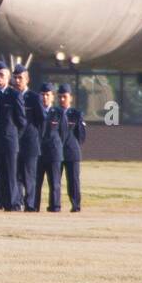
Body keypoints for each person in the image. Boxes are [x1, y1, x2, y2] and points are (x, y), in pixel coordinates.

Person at [0, 62, 25, 210]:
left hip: (9, 141)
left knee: (10, 175)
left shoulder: (14, 95)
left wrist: (14, 136)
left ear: (7, 77)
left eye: (1, 75)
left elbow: (21, 121)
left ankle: (12, 204)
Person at [17, 69, 47, 211]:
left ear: (27, 79)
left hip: (30, 142)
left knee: (29, 176)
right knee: (16, 175)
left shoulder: (34, 98)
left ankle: (30, 205)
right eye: (15, 78)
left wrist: (37, 137)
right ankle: (16, 203)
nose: (17, 81)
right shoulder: (11, 95)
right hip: (15, 143)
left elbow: (42, 120)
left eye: (20, 78)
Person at [34, 84, 65, 212]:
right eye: (42, 95)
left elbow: (63, 133)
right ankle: (33, 206)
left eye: (48, 95)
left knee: (55, 183)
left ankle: (55, 206)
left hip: (53, 152)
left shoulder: (58, 112)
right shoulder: (35, 111)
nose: (45, 97)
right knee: (36, 182)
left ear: (52, 97)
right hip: (38, 152)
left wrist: (56, 146)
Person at [59, 83, 86, 212]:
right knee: (55, 181)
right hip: (57, 152)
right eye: (60, 97)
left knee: (73, 181)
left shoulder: (76, 114)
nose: (62, 99)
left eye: (65, 96)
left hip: (72, 152)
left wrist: (72, 145)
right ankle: (55, 205)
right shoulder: (55, 113)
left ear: (71, 98)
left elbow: (81, 135)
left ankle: (75, 205)